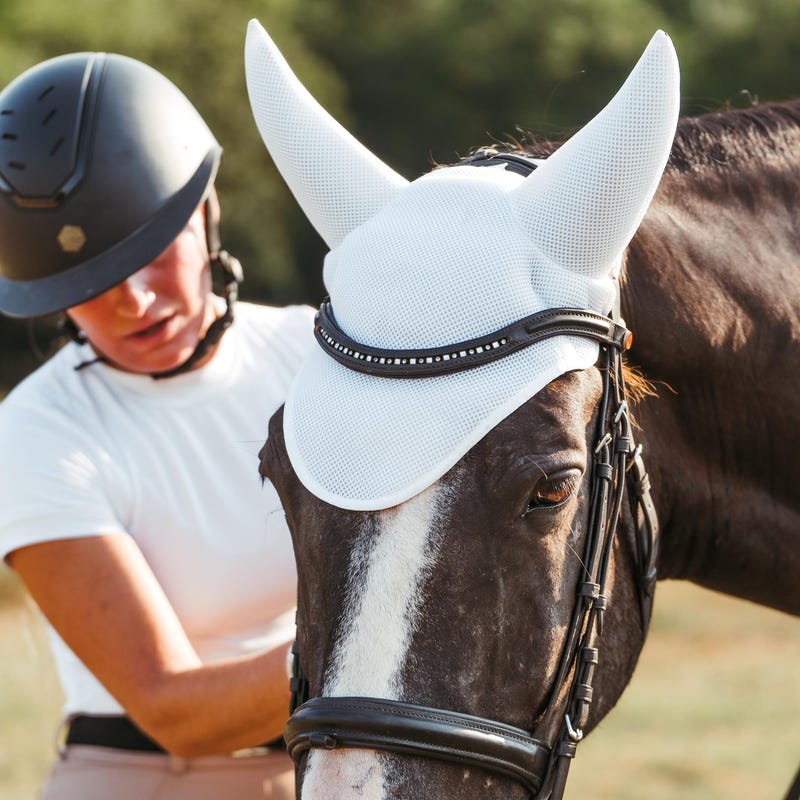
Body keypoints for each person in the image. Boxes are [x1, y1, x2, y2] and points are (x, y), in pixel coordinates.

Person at [0, 51, 314, 799]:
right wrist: (383, 647)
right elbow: (176, 709)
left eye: (148, 253)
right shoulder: (36, 432)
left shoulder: (316, 354)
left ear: (204, 214)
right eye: (91, 283)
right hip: (146, 775)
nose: (133, 303)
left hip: (334, 757)